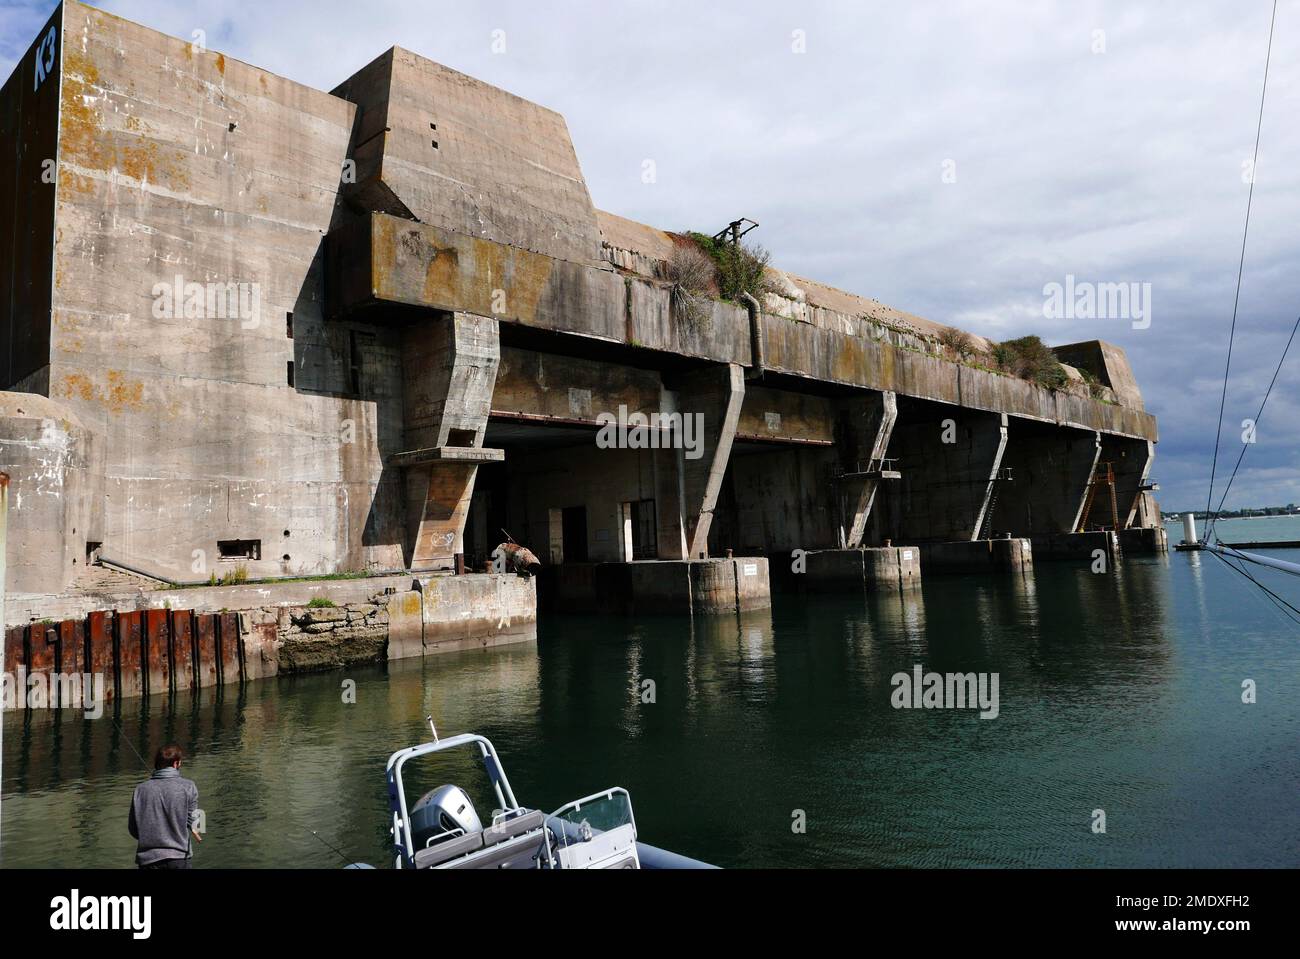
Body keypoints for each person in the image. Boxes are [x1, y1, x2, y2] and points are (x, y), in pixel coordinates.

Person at [128, 743, 201, 869]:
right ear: (176, 764)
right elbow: (197, 824)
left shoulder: (140, 789)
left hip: (148, 860)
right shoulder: (189, 786)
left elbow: (133, 829)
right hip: (179, 858)